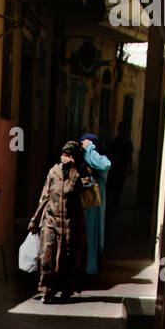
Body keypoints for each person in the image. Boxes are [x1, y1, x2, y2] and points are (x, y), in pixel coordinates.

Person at [28, 141, 87, 303]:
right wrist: (35, 219)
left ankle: (66, 290)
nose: (65, 158)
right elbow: (44, 196)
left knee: (65, 259)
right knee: (46, 257)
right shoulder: (53, 172)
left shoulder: (79, 174)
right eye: (64, 154)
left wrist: (77, 169)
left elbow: (89, 191)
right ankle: (46, 290)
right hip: (50, 221)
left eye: (69, 155)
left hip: (69, 224)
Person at [80, 133, 111, 278]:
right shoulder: (78, 163)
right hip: (80, 203)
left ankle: (89, 268)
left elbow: (105, 164)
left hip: (92, 201)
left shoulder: (99, 165)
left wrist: (90, 149)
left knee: (91, 234)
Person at [106, 121, 134, 219]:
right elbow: (129, 156)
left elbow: (109, 155)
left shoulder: (115, 141)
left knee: (114, 186)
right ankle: (114, 203)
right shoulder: (126, 142)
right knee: (117, 186)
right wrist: (130, 168)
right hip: (120, 167)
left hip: (116, 167)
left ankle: (113, 204)